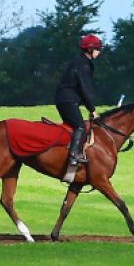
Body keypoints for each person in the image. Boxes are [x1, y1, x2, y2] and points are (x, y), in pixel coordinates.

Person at [56, 33, 102, 184]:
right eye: (97, 49)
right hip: (67, 100)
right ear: (90, 50)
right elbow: (84, 89)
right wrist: (92, 109)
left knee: (74, 127)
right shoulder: (83, 65)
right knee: (80, 126)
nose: (99, 52)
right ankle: (74, 155)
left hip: (65, 99)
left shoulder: (80, 61)